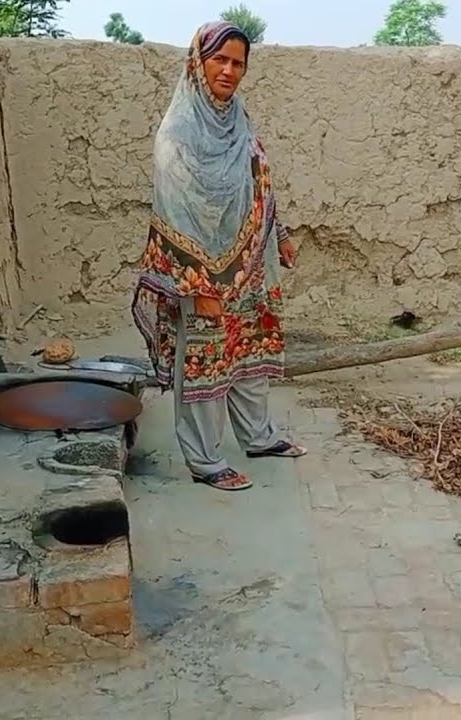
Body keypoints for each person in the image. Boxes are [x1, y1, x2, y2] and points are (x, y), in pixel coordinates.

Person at [131, 21, 307, 492]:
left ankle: (258, 437)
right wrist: (198, 285)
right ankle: (205, 461)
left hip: (250, 266)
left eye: (238, 63)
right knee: (205, 361)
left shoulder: (238, 119)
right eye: (220, 60)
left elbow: (258, 181)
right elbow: (174, 212)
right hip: (202, 272)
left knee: (249, 351)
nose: (229, 71)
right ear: (198, 63)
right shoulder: (179, 132)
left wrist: (279, 235)